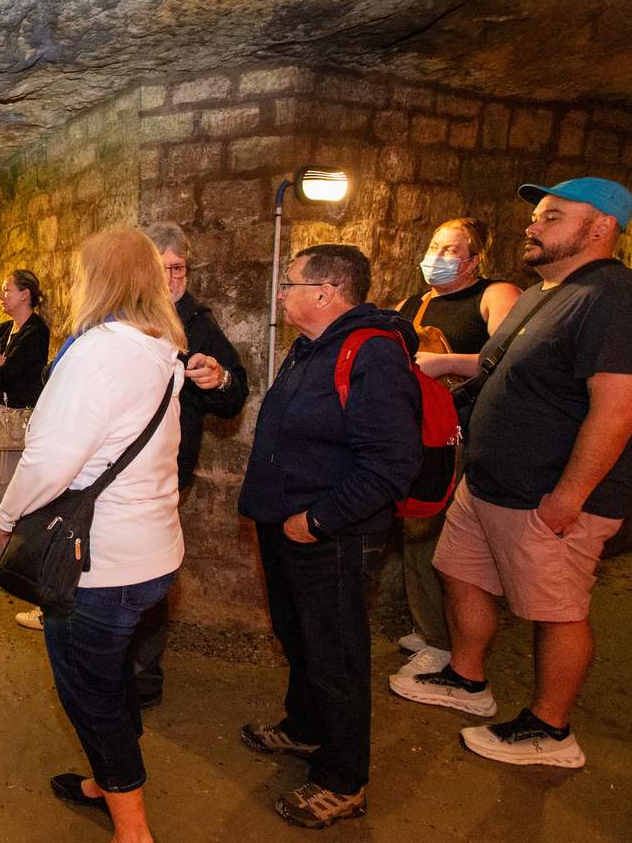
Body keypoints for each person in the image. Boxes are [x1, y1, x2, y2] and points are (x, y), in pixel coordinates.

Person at [391, 178, 632, 769]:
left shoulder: (612, 297)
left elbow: (617, 407)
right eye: (536, 216)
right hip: (492, 482)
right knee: (460, 572)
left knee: (558, 609)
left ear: (600, 227)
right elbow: (503, 369)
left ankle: (551, 730)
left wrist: (569, 497)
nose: (533, 225)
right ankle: (468, 680)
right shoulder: (541, 293)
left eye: (552, 216)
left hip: (546, 492)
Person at [0, 228, 185, 843]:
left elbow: (48, 461)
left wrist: (5, 522)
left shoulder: (97, 352)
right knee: (115, 678)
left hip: (99, 565)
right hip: (154, 553)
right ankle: (107, 784)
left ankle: (133, 829)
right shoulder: (161, 351)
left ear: (98, 280)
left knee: (89, 693)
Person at [238, 244, 421, 829]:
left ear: (326, 292)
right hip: (288, 527)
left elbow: (392, 464)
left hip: (332, 535)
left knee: (335, 654)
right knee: (299, 636)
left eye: (290, 283)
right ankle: (305, 729)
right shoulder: (312, 347)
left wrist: (316, 521)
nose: (281, 294)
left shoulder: (372, 354)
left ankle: (344, 781)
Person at [389, 219, 520, 679]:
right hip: (416, 430)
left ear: (475, 259)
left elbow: (508, 358)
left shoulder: (494, 294)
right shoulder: (415, 302)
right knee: (415, 528)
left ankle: (445, 643)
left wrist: (446, 362)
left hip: (458, 432)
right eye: (433, 245)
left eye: (450, 248)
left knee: (441, 537)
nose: (437, 255)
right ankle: (429, 627)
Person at [132, 222, 249, 708]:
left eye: (178, 268)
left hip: (163, 473)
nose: (171, 278)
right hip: (111, 469)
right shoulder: (123, 318)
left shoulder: (198, 323)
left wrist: (218, 379)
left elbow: (234, 394)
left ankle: (141, 678)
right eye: (160, 270)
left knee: (148, 571)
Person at [0, 269, 50, 628]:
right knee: (2, 485)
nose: (2, 296)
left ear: (26, 294)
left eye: (7, 290)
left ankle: (20, 561)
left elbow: (1, 374)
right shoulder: (2, 331)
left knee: (23, 490)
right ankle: (5, 557)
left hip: (25, 420)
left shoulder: (37, 332)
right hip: (3, 418)